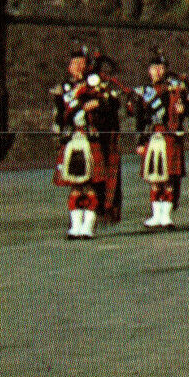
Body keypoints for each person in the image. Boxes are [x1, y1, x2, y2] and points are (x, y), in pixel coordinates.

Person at [50, 45, 125, 240]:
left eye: (81, 63)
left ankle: (88, 226)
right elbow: (59, 115)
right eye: (74, 63)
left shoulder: (96, 85)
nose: (77, 67)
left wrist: (99, 103)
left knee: (91, 186)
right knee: (76, 185)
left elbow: (114, 103)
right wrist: (59, 133)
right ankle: (75, 226)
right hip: (73, 138)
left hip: (91, 139)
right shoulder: (64, 89)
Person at [131, 49, 189, 229]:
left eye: (161, 67)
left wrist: (184, 108)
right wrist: (141, 141)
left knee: (169, 178)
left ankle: (166, 215)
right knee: (155, 177)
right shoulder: (145, 91)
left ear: (165, 70)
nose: (157, 71)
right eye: (154, 68)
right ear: (149, 70)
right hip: (152, 135)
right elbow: (139, 119)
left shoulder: (175, 88)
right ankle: (156, 215)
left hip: (170, 135)